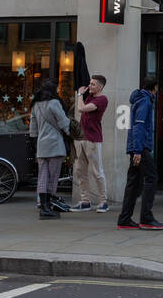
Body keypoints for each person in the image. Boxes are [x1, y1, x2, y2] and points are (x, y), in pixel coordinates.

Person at [119, 78, 163, 230]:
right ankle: (146, 217)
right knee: (151, 177)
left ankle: (124, 219)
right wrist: (138, 151)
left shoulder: (139, 99)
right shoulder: (145, 101)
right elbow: (139, 126)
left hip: (136, 146)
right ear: (154, 88)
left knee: (134, 182)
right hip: (140, 147)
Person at [29, 79, 70, 219]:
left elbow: (33, 129)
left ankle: (43, 206)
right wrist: (71, 135)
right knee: (53, 177)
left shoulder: (35, 105)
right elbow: (64, 122)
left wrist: (35, 143)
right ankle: (48, 207)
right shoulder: (54, 103)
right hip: (54, 144)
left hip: (41, 146)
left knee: (42, 176)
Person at [71, 74, 109, 212]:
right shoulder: (90, 97)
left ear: (100, 87)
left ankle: (103, 201)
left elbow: (81, 109)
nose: (90, 86)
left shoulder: (102, 100)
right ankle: (85, 201)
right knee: (80, 171)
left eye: (93, 84)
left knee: (97, 172)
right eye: (90, 83)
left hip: (93, 139)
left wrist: (80, 94)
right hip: (81, 139)